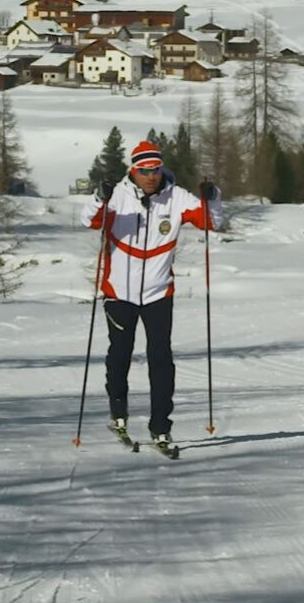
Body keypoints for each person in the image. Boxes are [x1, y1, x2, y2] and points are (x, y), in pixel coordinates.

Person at [79, 140, 223, 450]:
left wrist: (213, 199)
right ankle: (118, 413)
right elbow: (88, 221)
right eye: (145, 170)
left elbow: (213, 222)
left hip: (159, 292)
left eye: (155, 169)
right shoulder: (117, 196)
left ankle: (161, 426)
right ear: (134, 170)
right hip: (119, 291)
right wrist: (98, 198)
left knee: (161, 359)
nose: (151, 176)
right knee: (120, 354)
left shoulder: (177, 197)